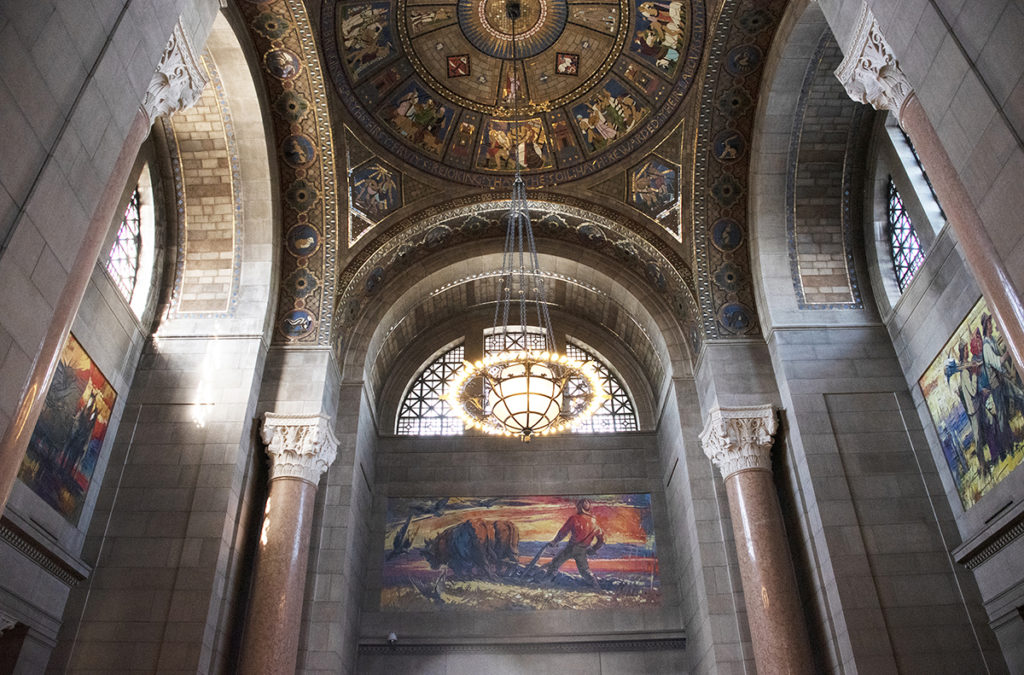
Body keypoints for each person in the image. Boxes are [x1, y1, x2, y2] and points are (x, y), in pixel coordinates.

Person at [543, 498, 605, 589]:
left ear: (579, 507)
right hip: (582, 550)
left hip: (571, 548)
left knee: (555, 564)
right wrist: (594, 549)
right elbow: (601, 538)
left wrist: (554, 541)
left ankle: (545, 584)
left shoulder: (574, 518)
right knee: (585, 571)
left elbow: (563, 532)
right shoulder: (594, 521)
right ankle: (597, 588)